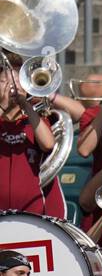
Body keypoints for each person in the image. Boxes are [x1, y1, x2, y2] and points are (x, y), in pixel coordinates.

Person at [0, 58, 56, 215]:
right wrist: (3, 106)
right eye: (5, 81)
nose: (12, 86)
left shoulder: (34, 121)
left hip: (31, 207)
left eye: (18, 81)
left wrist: (25, 104)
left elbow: (48, 144)